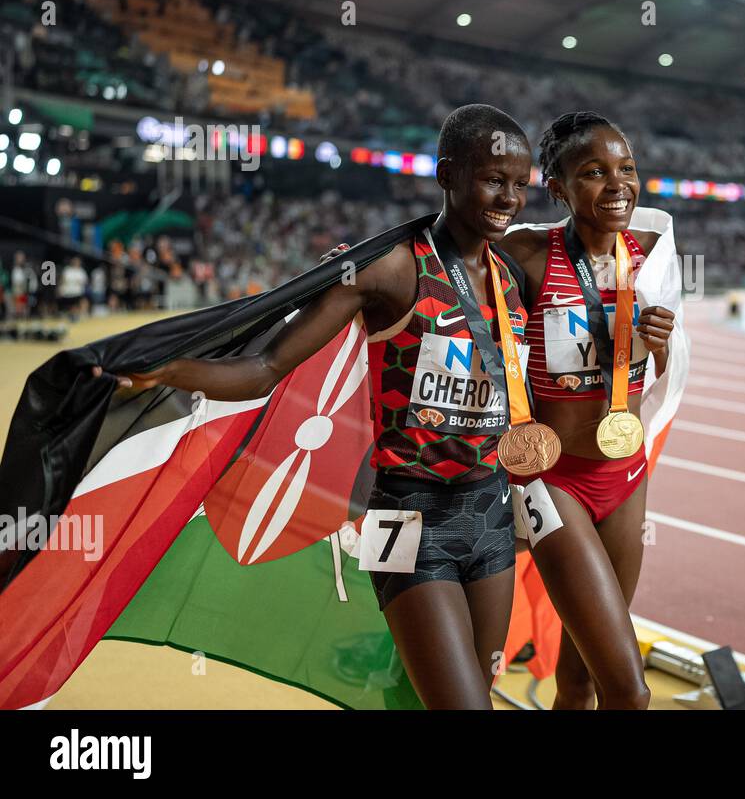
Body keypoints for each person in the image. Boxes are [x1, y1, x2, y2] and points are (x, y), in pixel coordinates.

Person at [97, 104, 539, 709]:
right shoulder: (389, 268)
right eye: (493, 179)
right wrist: (171, 371)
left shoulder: (510, 278)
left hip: (486, 509)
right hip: (405, 516)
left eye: (521, 184)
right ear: (446, 174)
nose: (509, 198)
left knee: (435, 694)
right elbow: (267, 367)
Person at [498, 111, 677, 710]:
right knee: (630, 691)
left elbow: (666, 368)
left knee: (580, 681)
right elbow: (454, 284)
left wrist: (661, 341)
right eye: (594, 173)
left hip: (625, 475)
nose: (618, 184)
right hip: (554, 480)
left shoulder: (652, 254)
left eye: (626, 169)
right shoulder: (523, 253)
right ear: (558, 187)